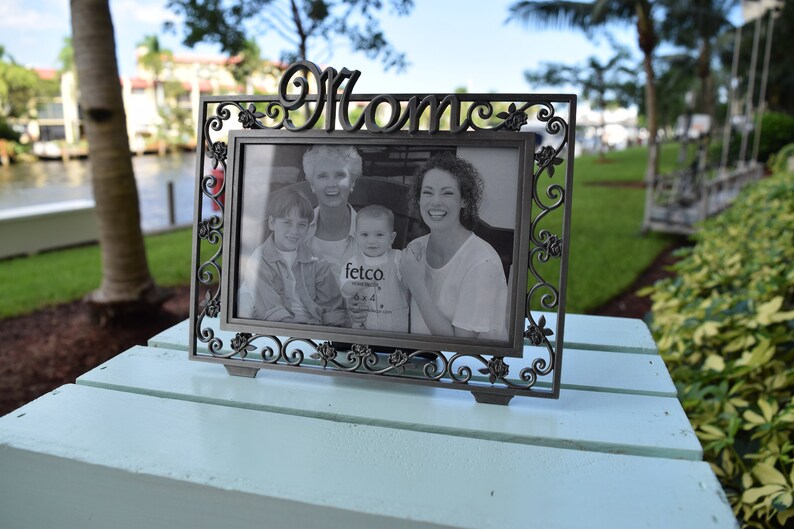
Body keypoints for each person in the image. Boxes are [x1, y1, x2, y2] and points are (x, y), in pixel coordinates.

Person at [401, 152, 508, 341]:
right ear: (418, 199)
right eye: (427, 192)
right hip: (423, 362)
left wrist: (417, 284)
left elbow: (460, 346)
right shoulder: (415, 249)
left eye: (447, 193)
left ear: (464, 200)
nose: (435, 201)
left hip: (475, 366)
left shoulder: (482, 263)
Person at [238, 188, 349, 327]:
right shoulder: (259, 260)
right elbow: (270, 309)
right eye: (287, 223)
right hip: (276, 328)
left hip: (313, 325)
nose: (294, 231)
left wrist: (335, 331)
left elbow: (332, 305)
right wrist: (296, 330)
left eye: (301, 225)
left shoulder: (316, 261)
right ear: (272, 223)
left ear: (308, 228)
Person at [339, 205, 409, 333]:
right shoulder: (354, 263)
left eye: (379, 235)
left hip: (396, 326)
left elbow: (409, 283)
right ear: (356, 236)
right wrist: (360, 282)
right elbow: (345, 289)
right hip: (366, 327)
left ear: (391, 238)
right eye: (365, 235)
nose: (371, 241)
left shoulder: (397, 258)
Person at [302, 145, 362, 279]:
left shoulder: (372, 232)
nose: (331, 184)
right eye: (323, 176)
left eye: (339, 175)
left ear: (352, 183)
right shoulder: (298, 230)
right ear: (312, 185)